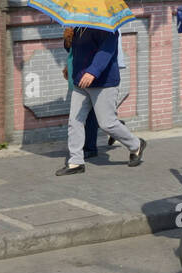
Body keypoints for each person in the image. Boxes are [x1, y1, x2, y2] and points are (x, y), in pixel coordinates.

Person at [57, 24, 146, 175]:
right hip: (81, 83)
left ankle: (136, 144)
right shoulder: (79, 27)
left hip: (103, 83)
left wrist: (93, 72)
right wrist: (68, 39)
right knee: (75, 121)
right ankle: (76, 162)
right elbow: (77, 51)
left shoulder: (107, 27)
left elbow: (106, 51)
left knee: (107, 124)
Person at [62, 30, 99, 157]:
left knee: (92, 114)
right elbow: (69, 49)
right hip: (76, 73)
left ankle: (90, 147)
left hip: (89, 75)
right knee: (79, 117)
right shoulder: (73, 29)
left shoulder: (94, 29)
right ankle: (83, 150)